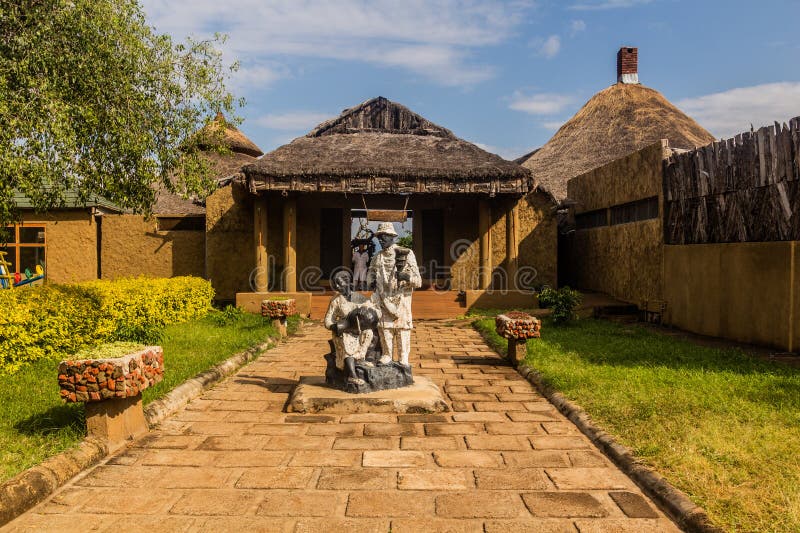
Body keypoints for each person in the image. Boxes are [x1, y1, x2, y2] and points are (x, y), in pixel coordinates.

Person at [367, 222, 421, 366]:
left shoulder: (407, 254)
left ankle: (403, 356)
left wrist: (406, 277)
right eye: (379, 237)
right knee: (385, 329)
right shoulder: (377, 257)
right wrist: (371, 281)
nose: (381, 239)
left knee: (402, 329)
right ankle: (387, 354)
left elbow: (418, 281)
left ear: (392, 237)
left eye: (384, 236)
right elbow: (370, 274)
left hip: (401, 298)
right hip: (383, 299)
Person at [323, 271, 379, 386]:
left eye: (339, 283)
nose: (337, 287)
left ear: (347, 282)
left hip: (358, 330)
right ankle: (352, 375)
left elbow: (374, 310)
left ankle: (360, 359)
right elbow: (327, 320)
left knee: (368, 333)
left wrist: (370, 314)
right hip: (345, 331)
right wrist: (336, 327)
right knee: (346, 339)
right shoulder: (336, 301)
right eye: (335, 284)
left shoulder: (359, 297)